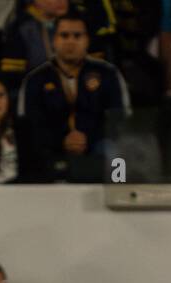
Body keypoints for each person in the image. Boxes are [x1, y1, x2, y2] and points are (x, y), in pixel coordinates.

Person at [15, 9, 130, 182]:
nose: (71, 41)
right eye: (64, 35)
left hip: (97, 146)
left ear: (87, 40)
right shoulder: (35, 79)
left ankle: (118, 193)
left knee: (115, 151)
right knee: (31, 152)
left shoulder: (108, 74)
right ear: (55, 40)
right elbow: (30, 124)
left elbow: (119, 118)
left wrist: (87, 139)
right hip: (51, 149)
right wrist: (62, 140)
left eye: (77, 36)